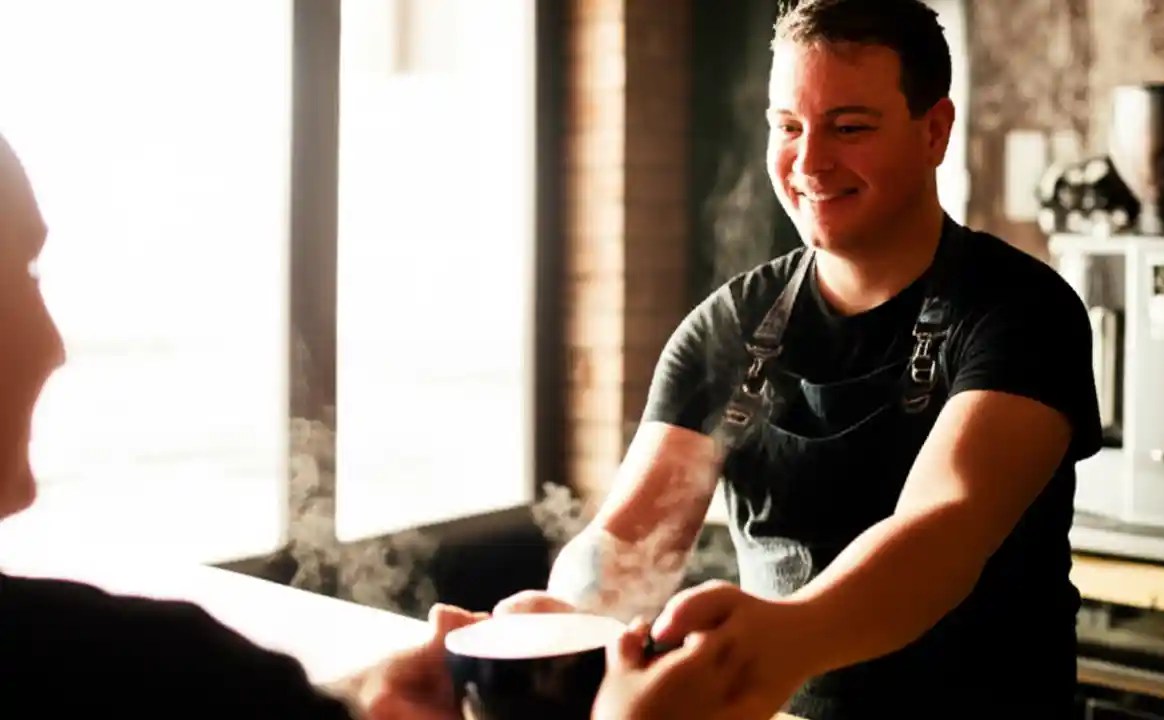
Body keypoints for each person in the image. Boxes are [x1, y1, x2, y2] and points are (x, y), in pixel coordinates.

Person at [493, 1, 1103, 718]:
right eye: (787, 127)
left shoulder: (1021, 310)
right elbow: (630, 541)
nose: (810, 162)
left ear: (934, 130)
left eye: (849, 128)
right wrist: (563, 617)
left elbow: (945, 526)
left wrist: (785, 639)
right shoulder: (727, 327)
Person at [0, 131, 734, 719]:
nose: (57, 346)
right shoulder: (141, 669)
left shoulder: (124, 662)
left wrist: (364, 708)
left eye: (851, 124)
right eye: (25, 276)